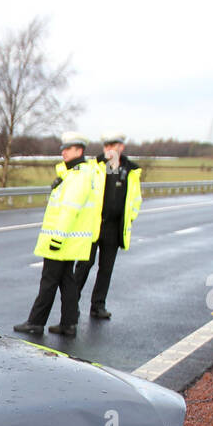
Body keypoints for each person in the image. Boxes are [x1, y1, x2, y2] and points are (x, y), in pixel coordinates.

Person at [14, 132, 102, 338]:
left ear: (79, 150)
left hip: (62, 241)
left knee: (49, 281)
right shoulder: (75, 174)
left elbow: (70, 210)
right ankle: (69, 324)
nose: (63, 151)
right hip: (69, 241)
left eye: (68, 148)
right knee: (67, 281)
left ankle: (36, 322)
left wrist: (57, 238)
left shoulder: (79, 176)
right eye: (63, 148)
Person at [74, 131, 142, 320]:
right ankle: (71, 305)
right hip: (93, 224)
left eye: (114, 145)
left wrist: (130, 217)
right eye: (107, 146)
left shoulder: (130, 171)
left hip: (114, 227)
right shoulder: (94, 167)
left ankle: (98, 306)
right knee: (84, 266)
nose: (110, 149)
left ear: (121, 147)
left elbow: (135, 199)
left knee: (106, 269)